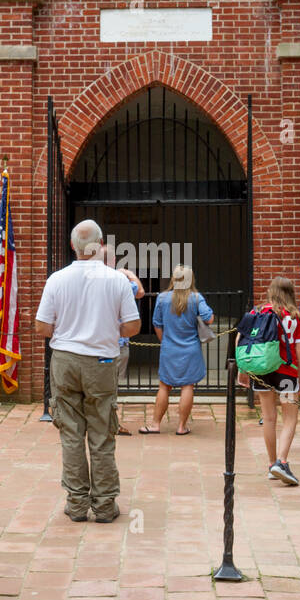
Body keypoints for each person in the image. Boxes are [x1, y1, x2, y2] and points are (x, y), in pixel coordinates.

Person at [35, 220, 141, 522]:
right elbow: (133, 326)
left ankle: (77, 503)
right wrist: (105, 329)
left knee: (71, 432)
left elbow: (43, 327)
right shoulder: (116, 280)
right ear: (99, 244)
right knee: (102, 433)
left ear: (73, 246)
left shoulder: (56, 279)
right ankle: (105, 505)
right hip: (102, 362)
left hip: (65, 360)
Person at [238, 276, 300, 486]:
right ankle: (282, 461)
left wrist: (243, 370)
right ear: (291, 294)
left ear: (271, 291)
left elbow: (241, 340)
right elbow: (299, 350)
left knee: (269, 418)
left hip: (262, 369)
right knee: (290, 418)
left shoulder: (257, 312)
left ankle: (271, 465)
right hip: (287, 371)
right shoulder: (295, 317)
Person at [140, 265, 213, 435]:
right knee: (188, 386)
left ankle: (155, 425)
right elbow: (208, 318)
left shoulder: (163, 298)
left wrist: (165, 340)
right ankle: (181, 426)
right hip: (191, 349)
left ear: (174, 279)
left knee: (164, 386)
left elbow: (157, 323)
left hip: (169, 348)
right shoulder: (196, 298)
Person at [101, 242, 145, 435]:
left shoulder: (89, 279)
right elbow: (141, 291)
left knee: (95, 385)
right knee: (112, 387)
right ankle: (111, 424)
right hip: (117, 344)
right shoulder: (120, 280)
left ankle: (95, 422)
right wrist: (128, 272)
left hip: (94, 342)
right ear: (114, 260)